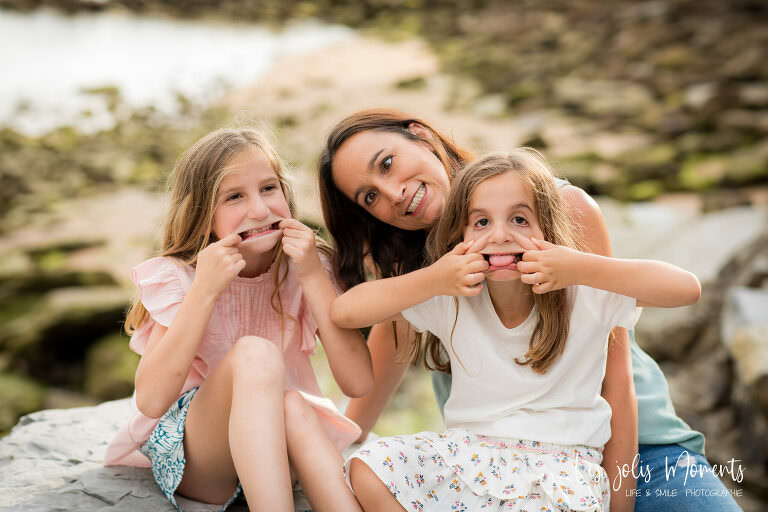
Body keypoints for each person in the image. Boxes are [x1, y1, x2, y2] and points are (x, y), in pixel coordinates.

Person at [318, 109, 743, 512]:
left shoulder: (558, 208)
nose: (393, 193)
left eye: (388, 162)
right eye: (369, 196)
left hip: (631, 447)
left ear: (423, 136)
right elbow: (375, 351)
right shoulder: (420, 273)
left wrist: (618, 497)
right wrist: (337, 444)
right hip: (487, 465)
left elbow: (617, 373)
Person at [104, 127, 373, 512]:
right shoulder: (183, 276)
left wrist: (313, 275)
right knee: (255, 354)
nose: (260, 210)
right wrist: (204, 292)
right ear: (202, 213)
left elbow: (358, 382)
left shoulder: (309, 266)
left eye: (268, 188)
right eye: (234, 197)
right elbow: (150, 400)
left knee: (296, 405)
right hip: (199, 461)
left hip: (277, 453)